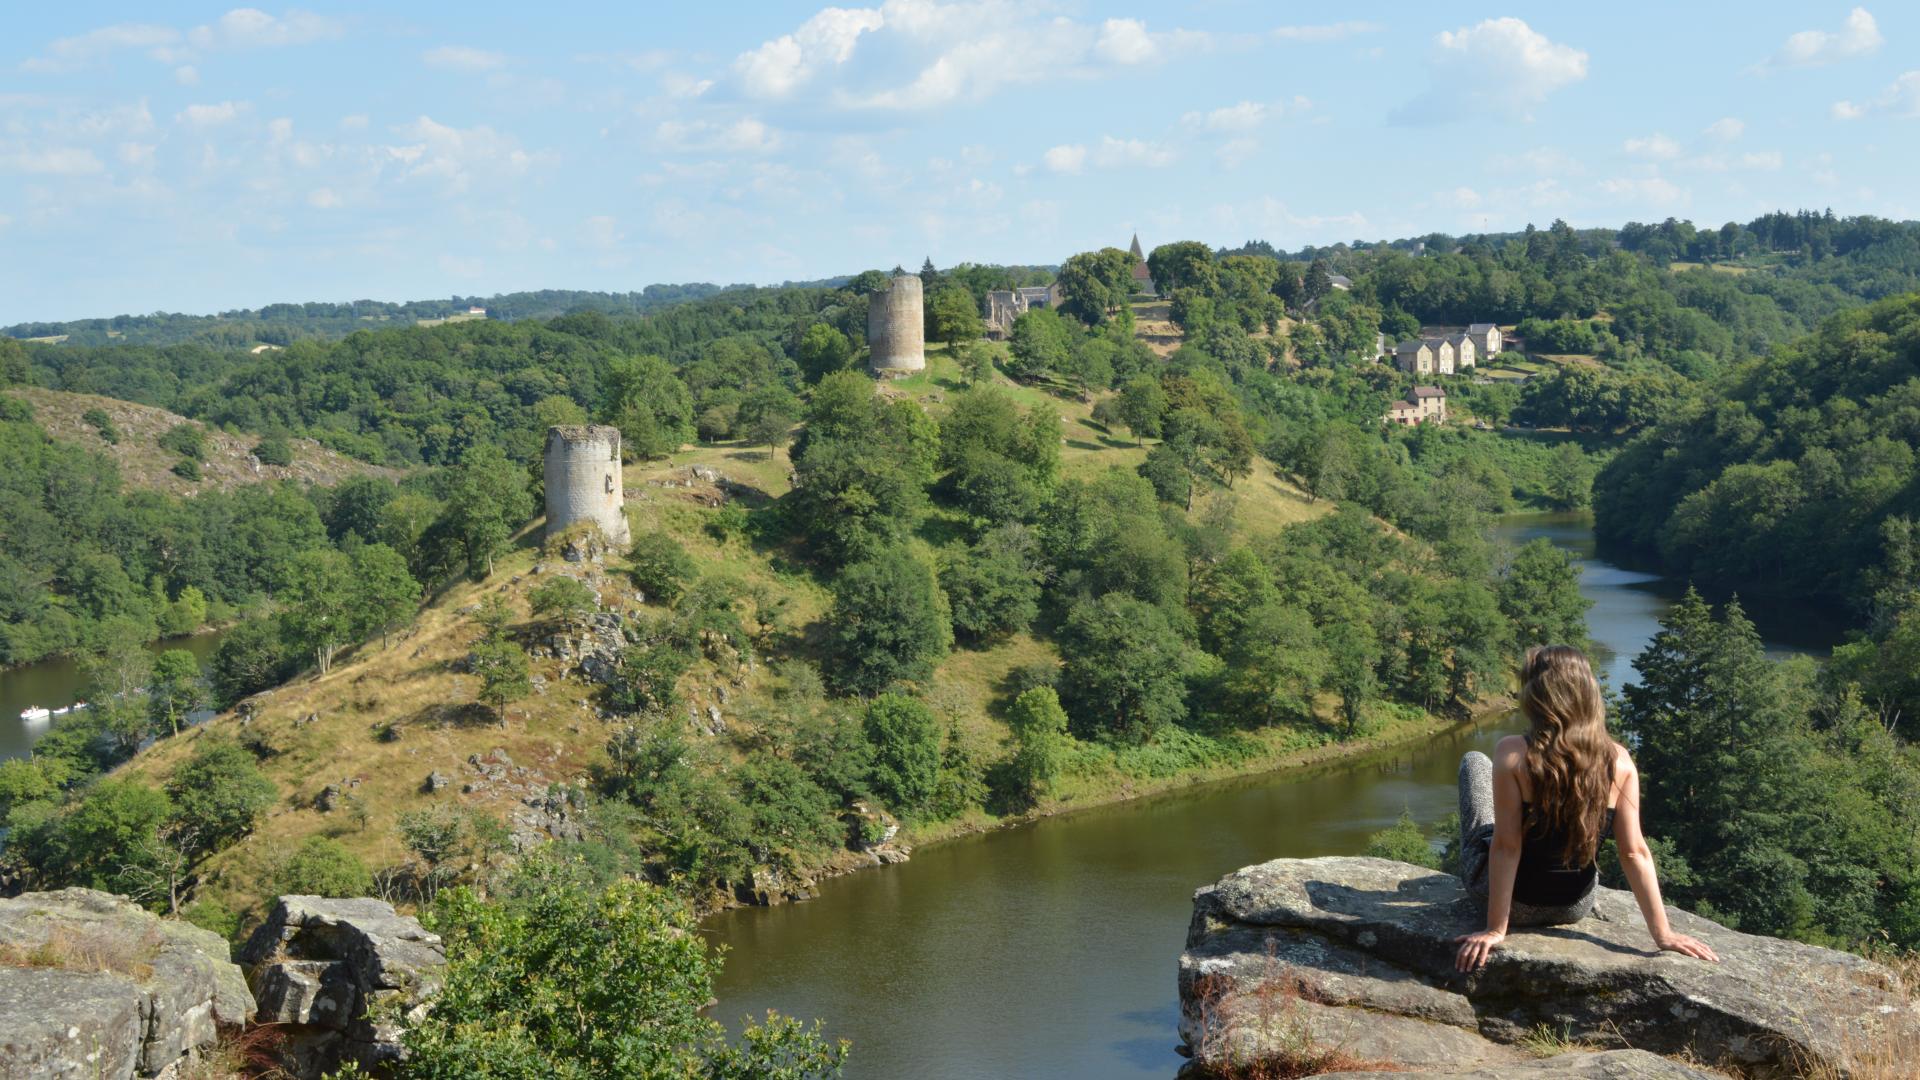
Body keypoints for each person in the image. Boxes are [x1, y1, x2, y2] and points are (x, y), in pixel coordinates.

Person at [1453, 645, 1719, 972]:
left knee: (1475, 763)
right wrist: (1663, 934)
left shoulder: (1512, 753)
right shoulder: (1620, 761)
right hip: (1574, 905)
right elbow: (1634, 852)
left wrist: (1496, 929)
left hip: (1516, 905)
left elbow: (1507, 847)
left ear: (1539, 696)